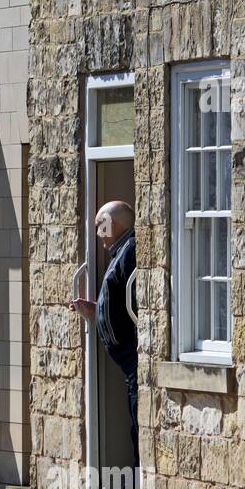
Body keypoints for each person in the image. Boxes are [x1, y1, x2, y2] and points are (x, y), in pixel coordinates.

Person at [69, 201, 139, 474]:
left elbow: (135, 305)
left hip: (132, 356)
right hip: (127, 359)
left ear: (113, 224)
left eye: (100, 225)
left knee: (137, 422)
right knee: (134, 419)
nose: (97, 233)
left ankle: (138, 486)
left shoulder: (130, 251)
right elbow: (119, 308)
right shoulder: (120, 252)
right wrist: (94, 312)